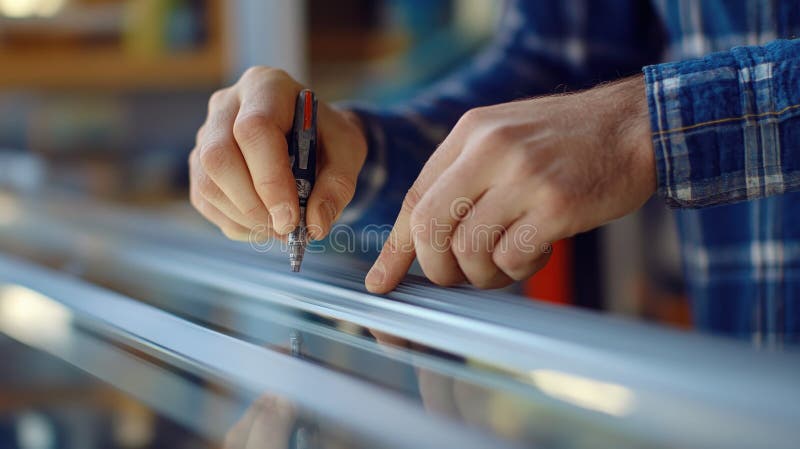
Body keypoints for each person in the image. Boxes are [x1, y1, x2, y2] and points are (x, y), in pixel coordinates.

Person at [188, 1, 800, 344]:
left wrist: (651, 124)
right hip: (743, 378)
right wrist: (355, 149)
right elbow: (552, 65)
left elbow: (603, 116)